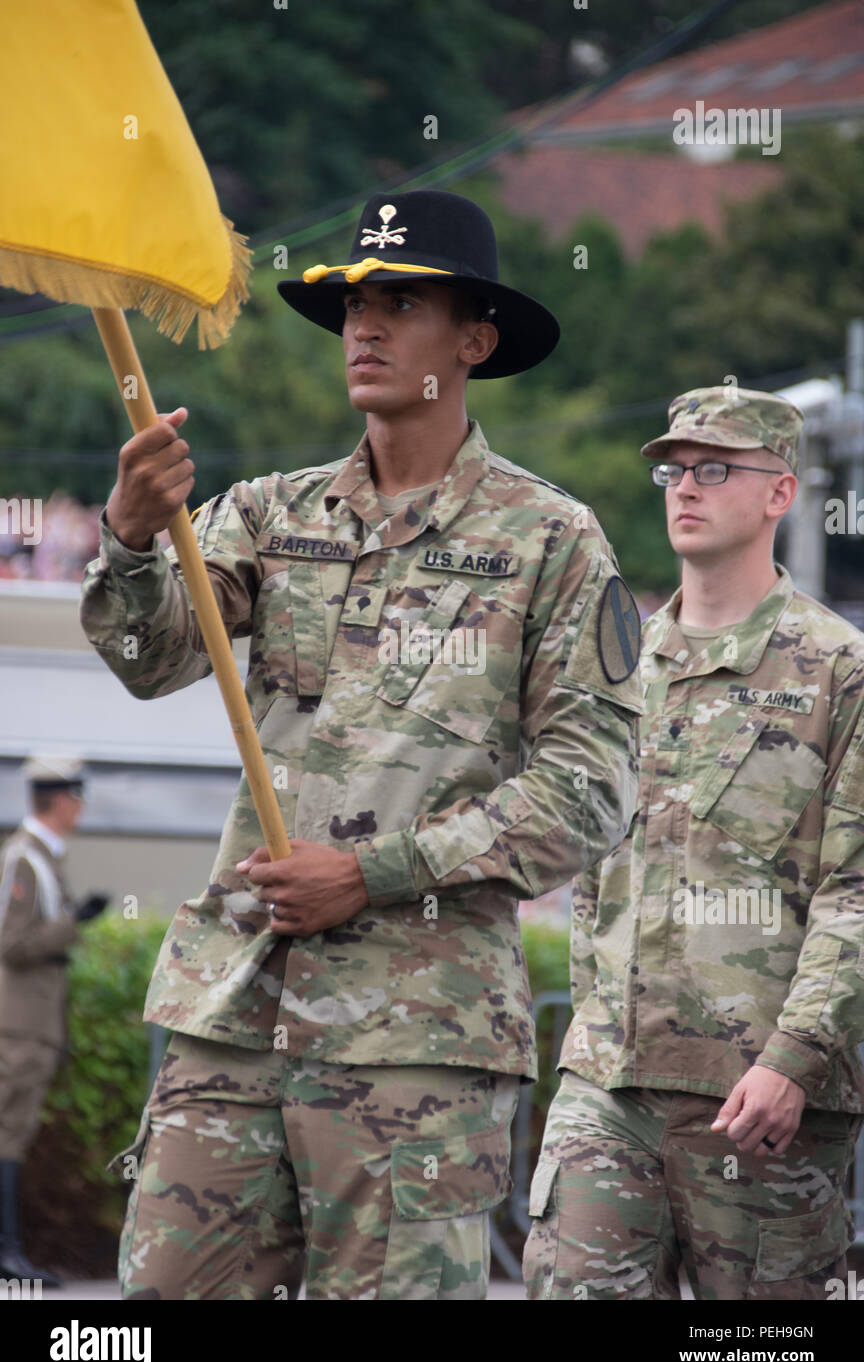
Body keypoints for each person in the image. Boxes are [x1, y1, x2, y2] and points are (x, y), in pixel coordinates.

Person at [79, 189, 644, 1301]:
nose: (365, 330)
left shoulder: (551, 541)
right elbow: (151, 660)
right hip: (234, 1007)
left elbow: (588, 791)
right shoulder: (266, 511)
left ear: (474, 339)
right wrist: (132, 537)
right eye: (350, 307)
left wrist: (374, 874)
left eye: (400, 303)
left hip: (416, 1041)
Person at [523, 385, 864, 1301]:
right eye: (675, 469)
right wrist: (594, 1021)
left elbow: (856, 891)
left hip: (762, 1106)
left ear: (781, 493)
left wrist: (796, 1057)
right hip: (610, 1088)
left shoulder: (838, 670)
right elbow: (596, 864)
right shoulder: (620, 664)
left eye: (716, 468)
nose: (686, 487)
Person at [0, 755, 108, 1284]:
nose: (81, 807)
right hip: (16, 1026)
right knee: (5, 1135)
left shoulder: (41, 856)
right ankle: (6, 1256)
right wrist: (75, 922)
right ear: (62, 800)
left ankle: (9, 1254)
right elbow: (12, 944)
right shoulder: (25, 859)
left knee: (11, 1135)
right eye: (78, 797)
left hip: (30, 1027)